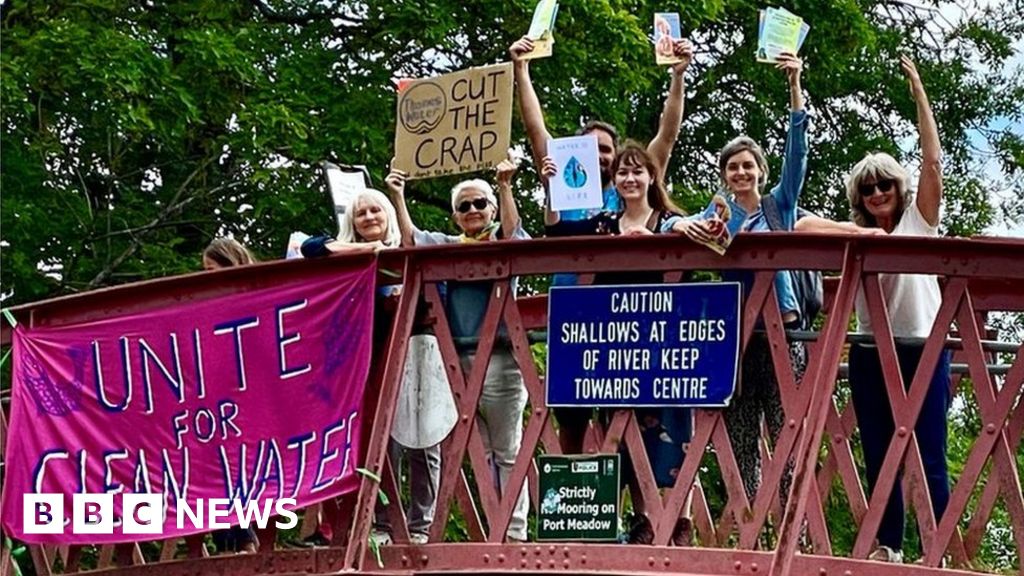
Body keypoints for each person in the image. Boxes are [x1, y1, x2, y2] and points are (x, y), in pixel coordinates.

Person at [795, 57, 949, 564]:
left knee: (929, 453)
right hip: (869, 352)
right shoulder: (857, 236)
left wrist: (920, 95)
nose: (878, 193)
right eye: (868, 188)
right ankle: (889, 546)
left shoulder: (918, 224)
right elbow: (799, 227)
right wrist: (860, 233)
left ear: (898, 189)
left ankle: (937, 548)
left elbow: (932, 165)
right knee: (879, 450)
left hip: (922, 349)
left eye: (885, 184)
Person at [510, 33, 694, 456]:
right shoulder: (566, 188)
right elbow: (536, 132)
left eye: (607, 149)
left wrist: (678, 77)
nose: (601, 156)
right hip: (572, 318)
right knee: (571, 415)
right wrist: (522, 70)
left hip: (619, 321)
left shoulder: (630, 190)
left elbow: (666, 136)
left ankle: (645, 512)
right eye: (591, 148)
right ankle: (581, 506)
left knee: (630, 419)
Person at [672, 52, 808, 507]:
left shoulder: (778, 207)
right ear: (726, 175)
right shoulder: (717, 214)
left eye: (748, 165)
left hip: (784, 331)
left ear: (759, 172)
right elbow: (666, 226)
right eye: (733, 167)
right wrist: (679, 227)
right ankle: (749, 527)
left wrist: (794, 88)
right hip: (738, 336)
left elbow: (798, 157)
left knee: (787, 429)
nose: (741, 172)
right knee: (741, 435)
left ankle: (794, 532)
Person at [545, 142, 693, 545]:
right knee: (623, 430)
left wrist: (669, 235)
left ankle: (679, 520)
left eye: (637, 172)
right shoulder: (604, 224)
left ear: (651, 177)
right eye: (622, 173)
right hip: (615, 348)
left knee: (673, 429)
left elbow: (702, 242)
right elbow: (557, 231)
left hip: (663, 346)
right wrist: (550, 186)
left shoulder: (669, 221)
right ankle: (642, 521)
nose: (629, 178)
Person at [386, 157, 531, 542]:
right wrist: (397, 195)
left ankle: (513, 535)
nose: (472, 211)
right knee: (480, 455)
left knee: (507, 449)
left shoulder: (502, 243)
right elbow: (411, 239)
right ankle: (495, 532)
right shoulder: (448, 246)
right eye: (464, 206)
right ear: (454, 216)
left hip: (500, 361)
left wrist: (504, 185)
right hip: (456, 364)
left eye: (480, 204)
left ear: (492, 210)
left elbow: (516, 235)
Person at [301, 188, 448, 546]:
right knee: (379, 444)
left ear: (389, 215)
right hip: (370, 362)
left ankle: (420, 526)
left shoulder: (411, 252)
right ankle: (382, 524)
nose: (368, 218)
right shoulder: (351, 260)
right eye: (361, 213)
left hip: (417, 356)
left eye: (375, 211)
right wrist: (368, 250)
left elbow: (441, 293)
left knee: (423, 442)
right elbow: (310, 247)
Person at [201, 237, 260, 555]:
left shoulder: (254, 298)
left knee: (234, 468)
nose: (207, 276)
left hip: (244, 398)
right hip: (213, 398)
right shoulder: (204, 304)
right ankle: (228, 541)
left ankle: (244, 538)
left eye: (212, 269)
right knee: (214, 469)